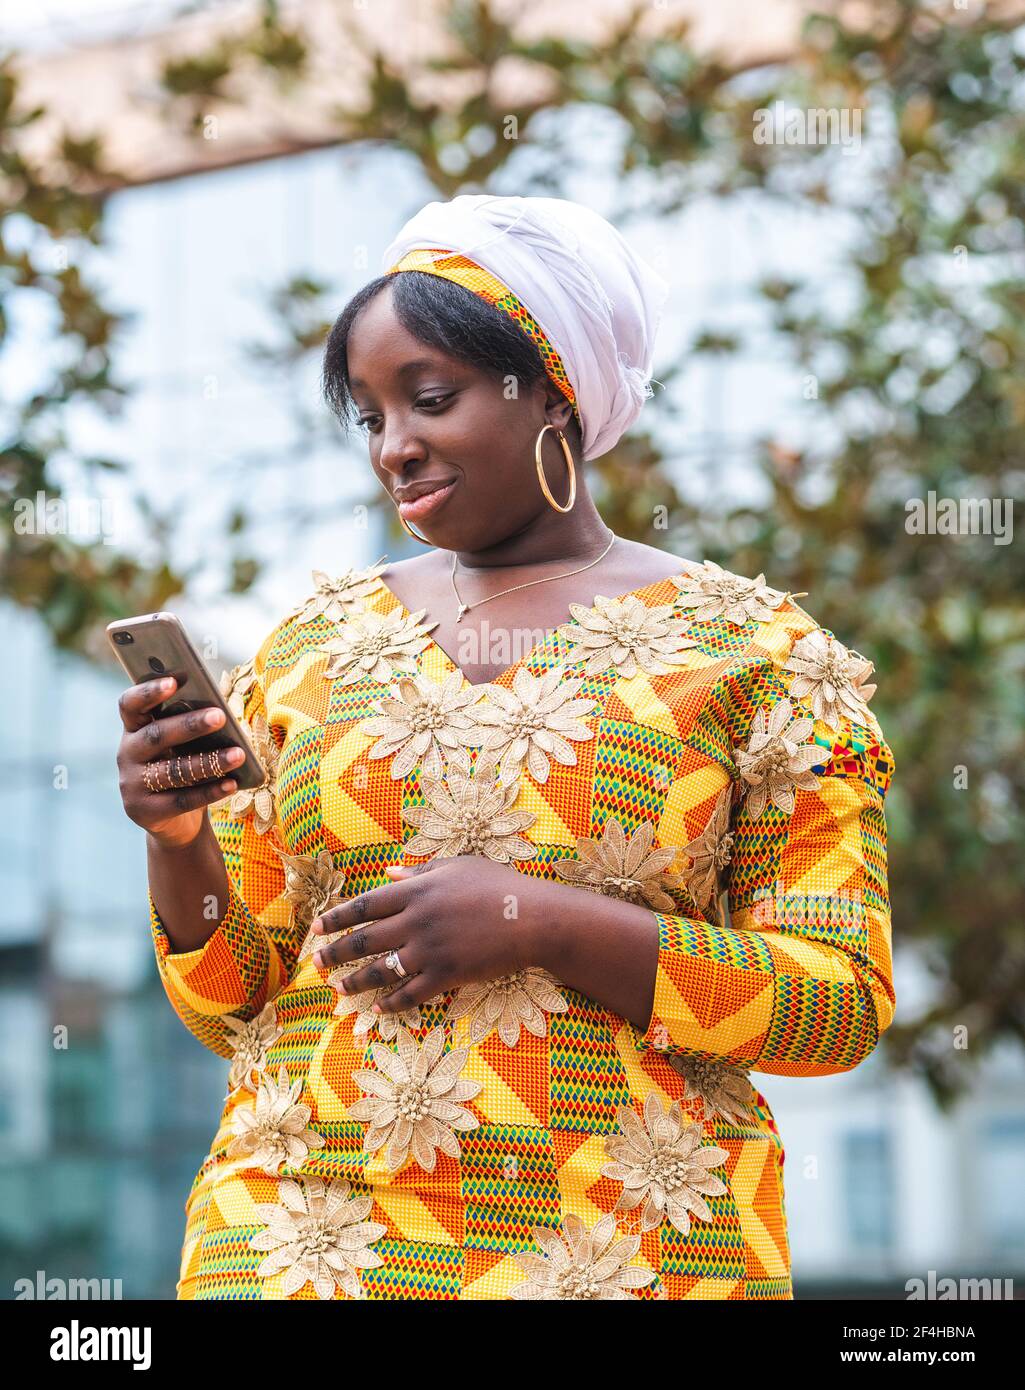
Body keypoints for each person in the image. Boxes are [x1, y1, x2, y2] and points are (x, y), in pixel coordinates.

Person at [116, 193, 896, 1301]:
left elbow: (837, 1005)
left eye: (430, 399)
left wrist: (543, 920)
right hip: (298, 1240)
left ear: (550, 390)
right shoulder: (306, 649)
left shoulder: (754, 652)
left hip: (626, 1248)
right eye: (371, 417)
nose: (394, 447)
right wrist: (177, 837)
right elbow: (233, 1002)